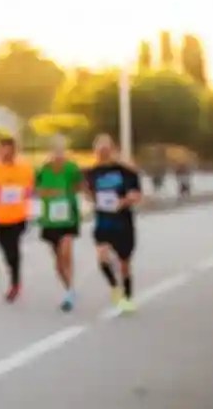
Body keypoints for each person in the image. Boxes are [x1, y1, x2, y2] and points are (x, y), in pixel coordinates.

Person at [83, 133, 142, 313]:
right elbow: (89, 193)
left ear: (112, 150)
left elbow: (137, 195)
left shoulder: (126, 171)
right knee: (102, 256)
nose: (102, 153)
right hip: (103, 221)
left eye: (106, 149)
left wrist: (123, 202)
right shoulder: (92, 173)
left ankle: (128, 296)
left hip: (123, 222)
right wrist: (91, 198)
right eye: (99, 150)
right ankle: (115, 288)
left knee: (124, 264)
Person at [0, 136, 35, 303]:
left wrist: (22, 192)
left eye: (8, 149)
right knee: (5, 249)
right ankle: (13, 273)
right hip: (0, 216)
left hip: (19, 215)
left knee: (13, 248)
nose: (5, 153)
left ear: (14, 150)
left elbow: (30, 188)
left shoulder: (24, 167)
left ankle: (15, 283)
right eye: (2, 149)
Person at [35, 135, 82, 312]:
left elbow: (79, 186)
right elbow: (37, 190)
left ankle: (69, 292)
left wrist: (68, 193)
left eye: (61, 151)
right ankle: (69, 287)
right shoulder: (43, 170)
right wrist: (48, 192)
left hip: (68, 218)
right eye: (55, 151)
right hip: (50, 220)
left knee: (66, 252)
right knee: (58, 262)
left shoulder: (71, 168)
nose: (58, 155)